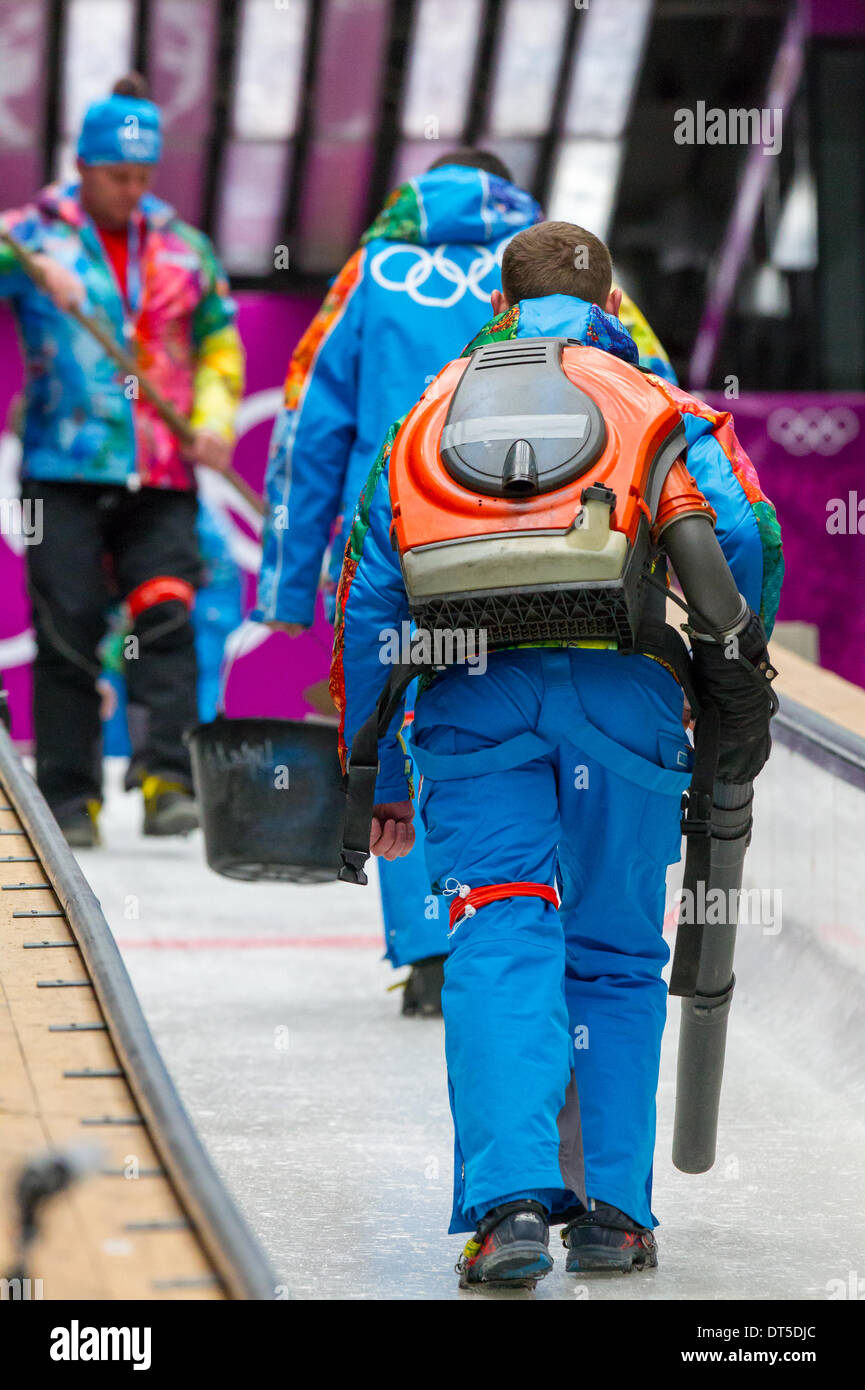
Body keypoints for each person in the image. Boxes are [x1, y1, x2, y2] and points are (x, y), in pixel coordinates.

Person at [330, 220, 783, 1287]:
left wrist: (378, 780)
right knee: (616, 955)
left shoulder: (430, 409)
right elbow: (744, 532)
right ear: (608, 308)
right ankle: (614, 1216)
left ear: (500, 305)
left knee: (497, 930)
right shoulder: (648, 403)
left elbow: (366, 599)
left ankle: (509, 1212)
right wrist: (724, 672)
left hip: (473, 708)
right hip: (624, 703)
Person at [254, 151, 673, 1013]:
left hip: (406, 538)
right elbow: (655, 395)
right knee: (543, 725)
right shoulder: (565, 273)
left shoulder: (371, 271)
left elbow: (309, 421)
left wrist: (290, 588)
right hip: (562, 546)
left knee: (408, 717)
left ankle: (436, 949)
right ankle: (539, 924)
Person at [0, 74, 244, 846]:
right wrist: (32, 269)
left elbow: (219, 341)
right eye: (117, 176)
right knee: (67, 626)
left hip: (163, 467)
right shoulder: (33, 232)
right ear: (83, 164)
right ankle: (71, 801)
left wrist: (214, 420)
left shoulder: (181, 243)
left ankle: (168, 779)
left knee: (168, 614)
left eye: (144, 176)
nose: (132, 190)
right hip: (62, 467)